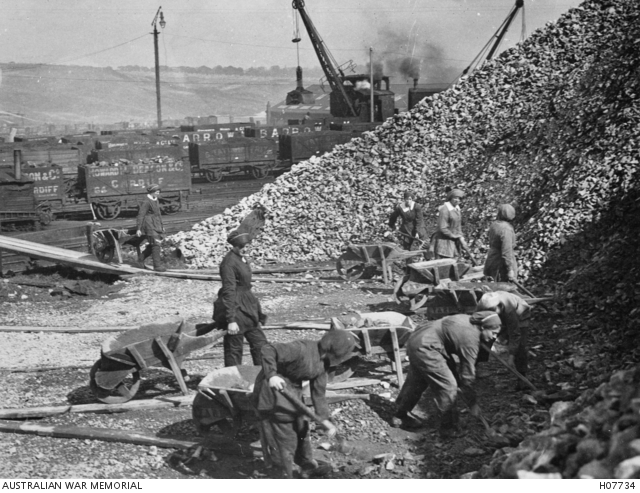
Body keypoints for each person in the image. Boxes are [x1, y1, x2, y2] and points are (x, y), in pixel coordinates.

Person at [252, 330, 358, 478]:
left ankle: (306, 465)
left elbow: (318, 394)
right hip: (273, 390)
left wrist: (325, 419)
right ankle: (286, 472)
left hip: (293, 391)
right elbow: (268, 349)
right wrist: (272, 375)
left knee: (302, 427)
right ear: (332, 350)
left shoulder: (324, 363)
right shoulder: (300, 349)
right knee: (286, 432)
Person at [391, 311, 502, 437]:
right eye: (493, 333)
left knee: (417, 381)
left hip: (419, 340)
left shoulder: (469, 321)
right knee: (448, 386)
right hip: (427, 347)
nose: (494, 337)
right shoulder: (470, 338)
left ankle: (399, 415)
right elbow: (467, 376)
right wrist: (473, 404)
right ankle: (448, 428)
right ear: (483, 327)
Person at [213, 230, 268, 367]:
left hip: (248, 305)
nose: (250, 247)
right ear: (239, 245)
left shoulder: (241, 258)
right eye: (247, 244)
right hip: (236, 308)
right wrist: (230, 319)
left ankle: (262, 376)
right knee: (234, 348)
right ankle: (232, 383)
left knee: (260, 344)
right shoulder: (228, 263)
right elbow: (228, 290)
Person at [477, 291, 532, 388]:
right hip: (502, 315)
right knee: (484, 338)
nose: (490, 313)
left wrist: (511, 356)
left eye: (493, 311)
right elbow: (476, 321)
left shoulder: (509, 310)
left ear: (500, 306)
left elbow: (515, 334)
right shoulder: (482, 305)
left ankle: (522, 377)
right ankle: (476, 367)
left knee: (521, 346)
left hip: (521, 314)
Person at [430, 188, 473, 262]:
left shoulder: (457, 209)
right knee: (444, 265)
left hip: (453, 241)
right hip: (443, 242)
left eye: (459, 199)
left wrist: (461, 237)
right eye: (455, 198)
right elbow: (442, 228)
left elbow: (458, 225)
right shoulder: (445, 210)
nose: (457, 200)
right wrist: (454, 236)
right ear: (450, 198)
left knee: (456, 261)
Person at [135, 184, 166, 272]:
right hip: (148, 224)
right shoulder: (146, 201)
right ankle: (157, 266)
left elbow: (158, 214)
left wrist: (162, 226)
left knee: (153, 244)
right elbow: (141, 215)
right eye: (156, 192)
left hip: (156, 224)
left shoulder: (155, 200)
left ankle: (140, 260)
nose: (158, 193)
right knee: (156, 244)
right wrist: (139, 228)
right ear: (152, 192)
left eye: (159, 192)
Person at [483, 204, 518, 282]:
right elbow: (506, 251)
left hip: (491, 259)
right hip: (501, 266)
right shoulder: (506, 229)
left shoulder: (494, 225)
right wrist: (510, 269)